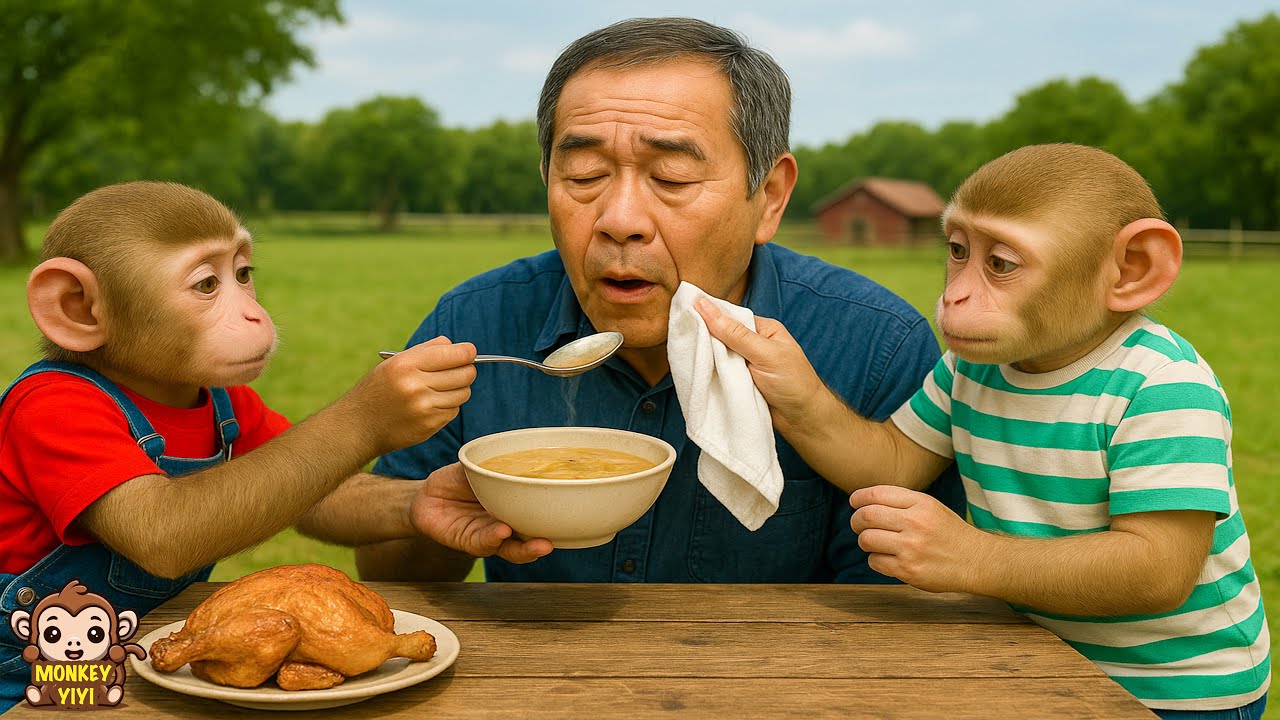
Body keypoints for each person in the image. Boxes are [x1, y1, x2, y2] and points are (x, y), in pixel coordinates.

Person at [347, 16, 964, 583]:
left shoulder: (874, 345)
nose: (619, 220)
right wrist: (432, 513)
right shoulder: (473, 327)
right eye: (584, 176)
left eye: (671, 178)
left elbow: (900, 609)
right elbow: (398, 581)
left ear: (769, 197)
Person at [696, 143, 1269, 718]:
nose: (956, 293)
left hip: (1178, 690)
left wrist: (971, 558)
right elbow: (892, 463)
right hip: (1040, 661)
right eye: (957, 250)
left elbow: (1158, 571)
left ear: (1131, 269)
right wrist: (801, 400)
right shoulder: (971, 368)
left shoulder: (1161, 384)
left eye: (1002, 263)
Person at [0, 182, 487, 711]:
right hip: (33, 690)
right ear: (80, 308)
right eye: (206, 282)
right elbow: (162, 536)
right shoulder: (52, 406)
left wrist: (415, 504)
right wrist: (361, 422)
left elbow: (314, 491)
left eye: (243, 273)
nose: (254, 312)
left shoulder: (220, 404)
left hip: (145, 664)